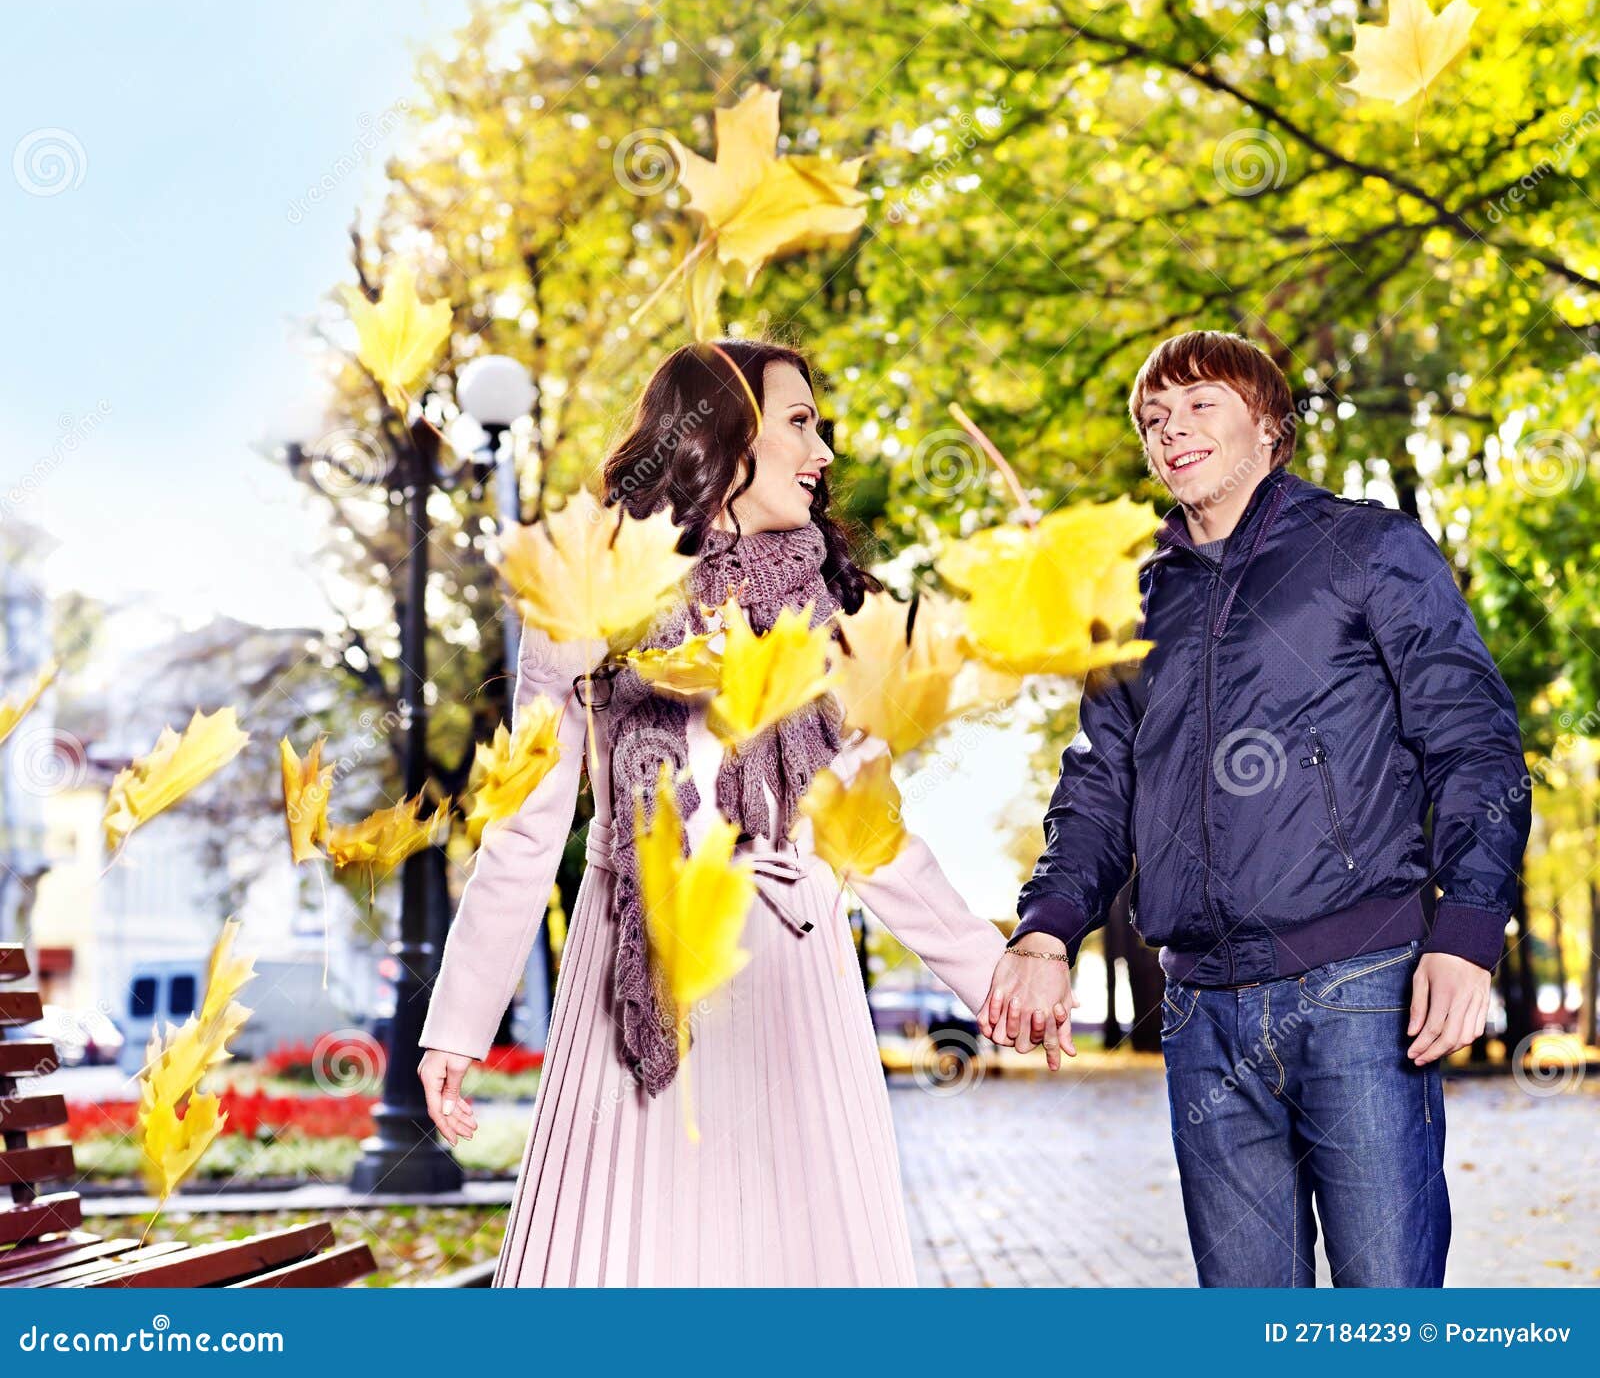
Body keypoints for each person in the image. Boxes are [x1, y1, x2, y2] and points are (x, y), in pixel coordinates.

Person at [416, 338, 1011, 1287]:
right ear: (726, 437)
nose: (823, 453)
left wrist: (994, 975)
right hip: (640, 978)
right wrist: (459, 1021)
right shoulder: (587, 596)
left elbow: (869, 831)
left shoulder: (830, 609)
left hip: (792, 976)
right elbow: (528, 824)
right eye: (801, 423)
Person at [980, 330, 1532, 1288]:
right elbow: (1101, 783)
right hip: (1202, 1014)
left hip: (1361, 988)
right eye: (1154, 417)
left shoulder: (1369, 549)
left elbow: (1475, 744)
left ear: (1269, 425)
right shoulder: (1131, 605)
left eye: (1200, 405)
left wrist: (1470, 927)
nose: (1172, 428)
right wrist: (1045, 929)